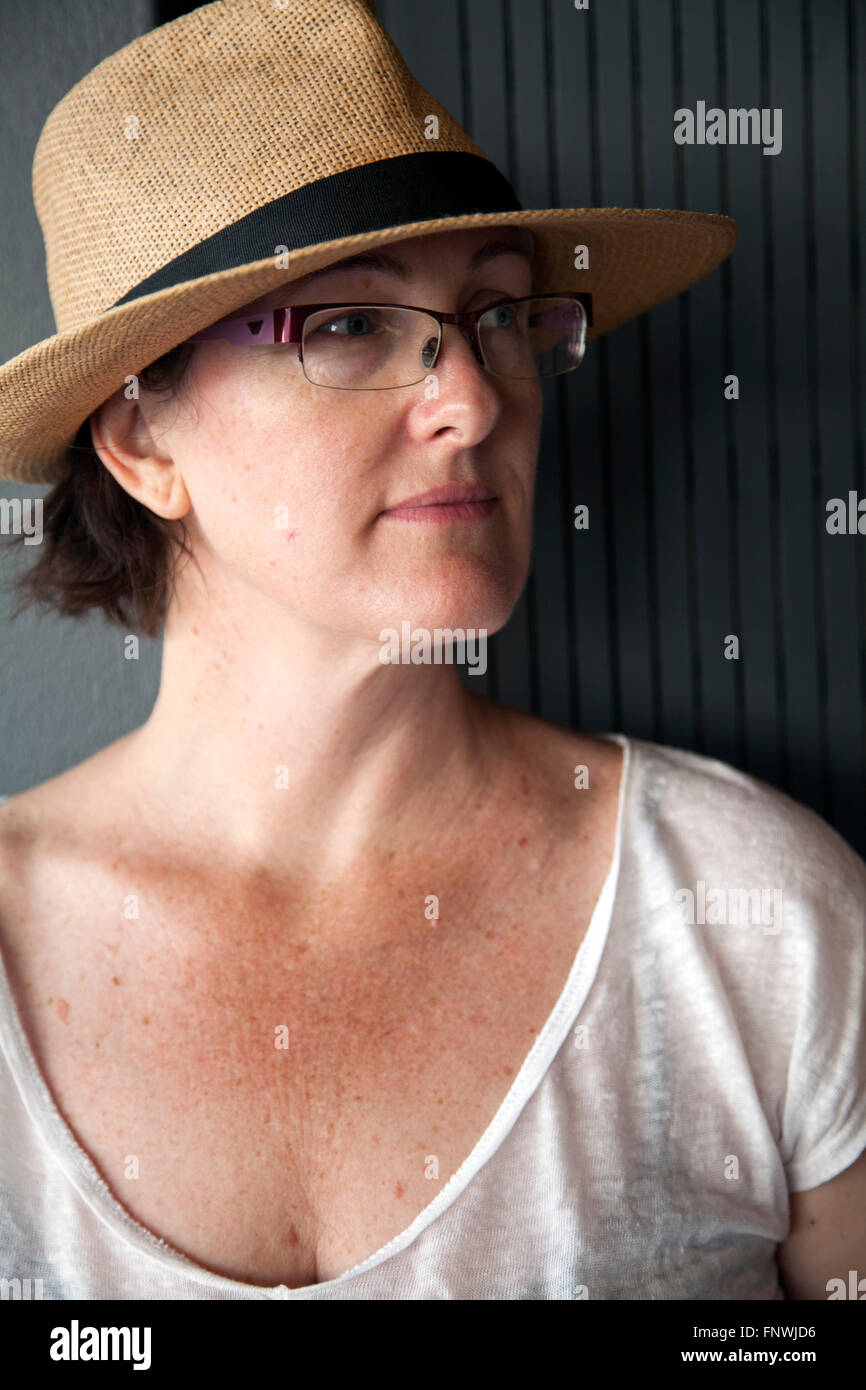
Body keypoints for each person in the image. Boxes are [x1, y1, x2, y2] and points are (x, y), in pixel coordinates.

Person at [0, 0, 863, 1302]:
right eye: (346, 325)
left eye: (502, 318)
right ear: (142, 443)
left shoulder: (756, 920)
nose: (472, 401)